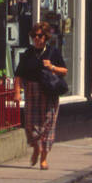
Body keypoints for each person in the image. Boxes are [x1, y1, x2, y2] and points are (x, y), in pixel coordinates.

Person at [14, 21, 67, 170]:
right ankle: (36, 147)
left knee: (48, 125)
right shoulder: (27, 54)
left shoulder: (53, 52)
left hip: (49, 92)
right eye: (34, 36)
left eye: (40, 36)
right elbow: (18, 75)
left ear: (46, 37)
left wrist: (52, 67)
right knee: (30, 124)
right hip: (31, 91)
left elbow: (64, 71)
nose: (36, 39)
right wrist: (17, 93)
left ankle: (43, 158)